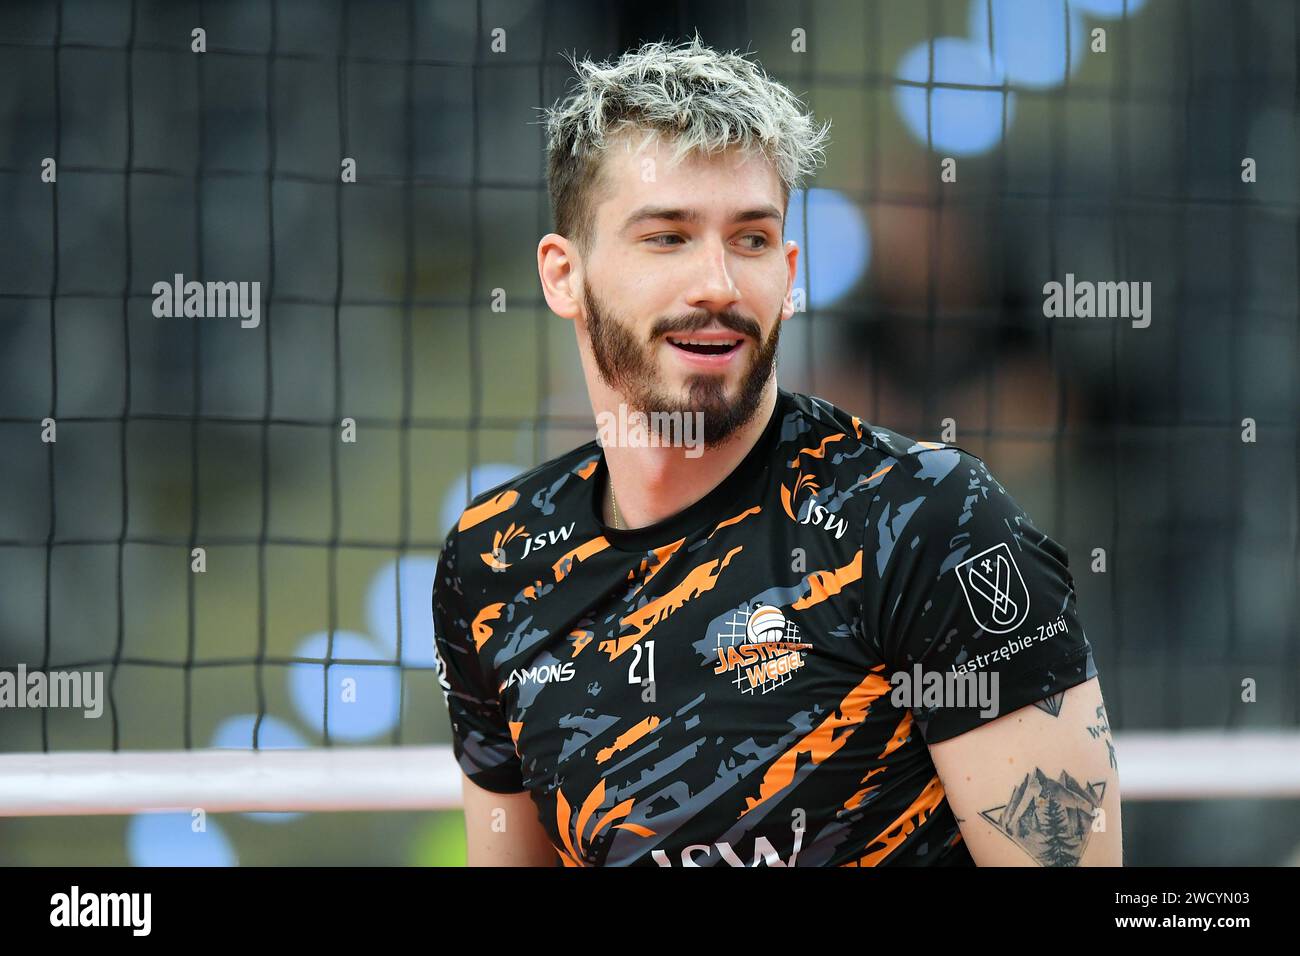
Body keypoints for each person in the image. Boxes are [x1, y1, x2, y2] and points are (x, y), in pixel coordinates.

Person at [433, 33, 1122, 867]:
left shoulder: (929, 522)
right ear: (562, 275)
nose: (718, 283)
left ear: (789, 272)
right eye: (668, 237)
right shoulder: (495, 562)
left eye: (751, 240)